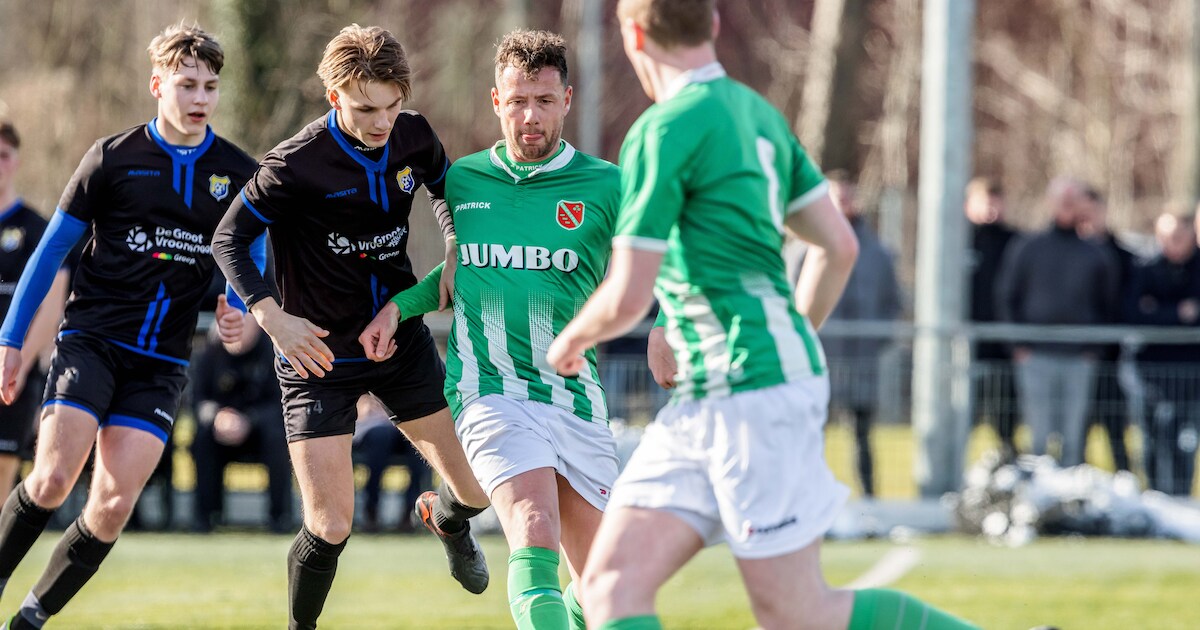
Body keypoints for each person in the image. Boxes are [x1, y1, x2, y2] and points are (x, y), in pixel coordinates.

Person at [546, 2, 979, 628]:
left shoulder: (665, 129)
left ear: (633, 33)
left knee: (800, 615)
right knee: (608, 587)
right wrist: (794, 333)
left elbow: (629, 295)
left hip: (753, 395)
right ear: (714, 24)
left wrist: (571, 341)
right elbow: (839, 247)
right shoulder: (758, 116)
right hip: (706, 396)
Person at [211, 24, 490, 630]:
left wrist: (452, 239)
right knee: (331, 524)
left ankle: (444, 520)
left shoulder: (413, 135)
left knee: (477, 491)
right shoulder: (293, 164)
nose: (383, 120)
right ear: (333, 95)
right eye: (367, 108)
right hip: (316, 356)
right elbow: (228, 238)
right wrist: (271, 317)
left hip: (398, 340)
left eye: (393, 104)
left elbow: (450, 196)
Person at [360, 29, 621, 630]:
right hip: (489, 392)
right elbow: (457, 274)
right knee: (535, 527)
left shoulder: (606, 185)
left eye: (545, 101)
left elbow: (654, 260)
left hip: (575, 397)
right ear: (496, 101)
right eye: (518, 100)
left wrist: (664, 322)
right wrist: (399, 307)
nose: (530, 116)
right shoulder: (466, 181)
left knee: (601, 582)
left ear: (568, 100)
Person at [0, 24, 257, 629]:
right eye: (187, 84)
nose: (200, 98)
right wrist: (11, 341)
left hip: (162, 362)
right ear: (157, 85)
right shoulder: (112, 157)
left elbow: (256, 250)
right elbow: (47, 256)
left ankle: (31, 617)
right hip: (90, 340)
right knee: (55, 477)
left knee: (112, 505)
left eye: (211, 86)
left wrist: (239, 306)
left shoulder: (237, 172)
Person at [995, 177, 1117, 467]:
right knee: (1039, 435)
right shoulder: (1027, 247)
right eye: (1062, 200)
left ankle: (1071, 500)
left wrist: (1094, 349)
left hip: (1079, 357)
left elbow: (1108, 305)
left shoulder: (1096, 253)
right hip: (1035, 355)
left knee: (1073, 437)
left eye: (1073, 201)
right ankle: (1041, 500)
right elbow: (1006, 297)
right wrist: (1018, 345)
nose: (1067, 207)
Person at [0, 121, 72, 497]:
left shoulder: (35, 229)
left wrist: (19, 363)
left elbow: (52, 305)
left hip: (13, 375)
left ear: (16, 160)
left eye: (3, 156)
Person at [821, 170, 901, 498]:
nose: (843, 203)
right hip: (821, 360)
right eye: (836, 197)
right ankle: (809, 500)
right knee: (811, 437)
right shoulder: (805, 248)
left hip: (862, 360)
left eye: (847, 196)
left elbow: (892, 303)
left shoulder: (877, 252)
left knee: (862, 437)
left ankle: (869, 502)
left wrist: (874, 340)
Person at [189, 316, 293, 534]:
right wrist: (216, 416)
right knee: (202, 439)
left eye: (243, 322)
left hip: (261, 430)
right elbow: (198, 400)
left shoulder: (272, 352)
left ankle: (279, 517)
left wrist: (249, 421)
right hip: (221, 431)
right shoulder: (211, 352)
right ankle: (206, 517)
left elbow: (280, 404)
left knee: (278, 439)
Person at [1128, 211, 1200, 496]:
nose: (1172, 244)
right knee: (1150, 439)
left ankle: (1181, 500)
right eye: (1165, 237)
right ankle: (1154, 498)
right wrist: (1178, 313)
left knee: (1185, 441)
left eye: (1179, 237)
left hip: (1191, 373)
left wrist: (1156, 310)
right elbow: (1132, 312)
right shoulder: (1145, 267)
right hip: (1149, 374)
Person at [1077, 185, 1136, 473]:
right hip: (1074, 355)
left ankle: (1127, 486)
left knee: (1115, 428)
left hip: (1112, 357)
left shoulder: (1123, 256)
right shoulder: (1066, 253)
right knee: (1076, 432)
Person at [964, 176, 1020, 459]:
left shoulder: (1016, 243)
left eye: (995, 203)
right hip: (965, 349)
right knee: (961, 419)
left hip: (1003, 349)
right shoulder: (956, 242)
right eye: (984, 202)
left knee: (1006, 422)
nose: (991, 210)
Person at [352, 394, 429, 534]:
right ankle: (371, 510)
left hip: (402, 423)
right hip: (371, 425)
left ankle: (410, 511)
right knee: (380, 436)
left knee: (418, 441)